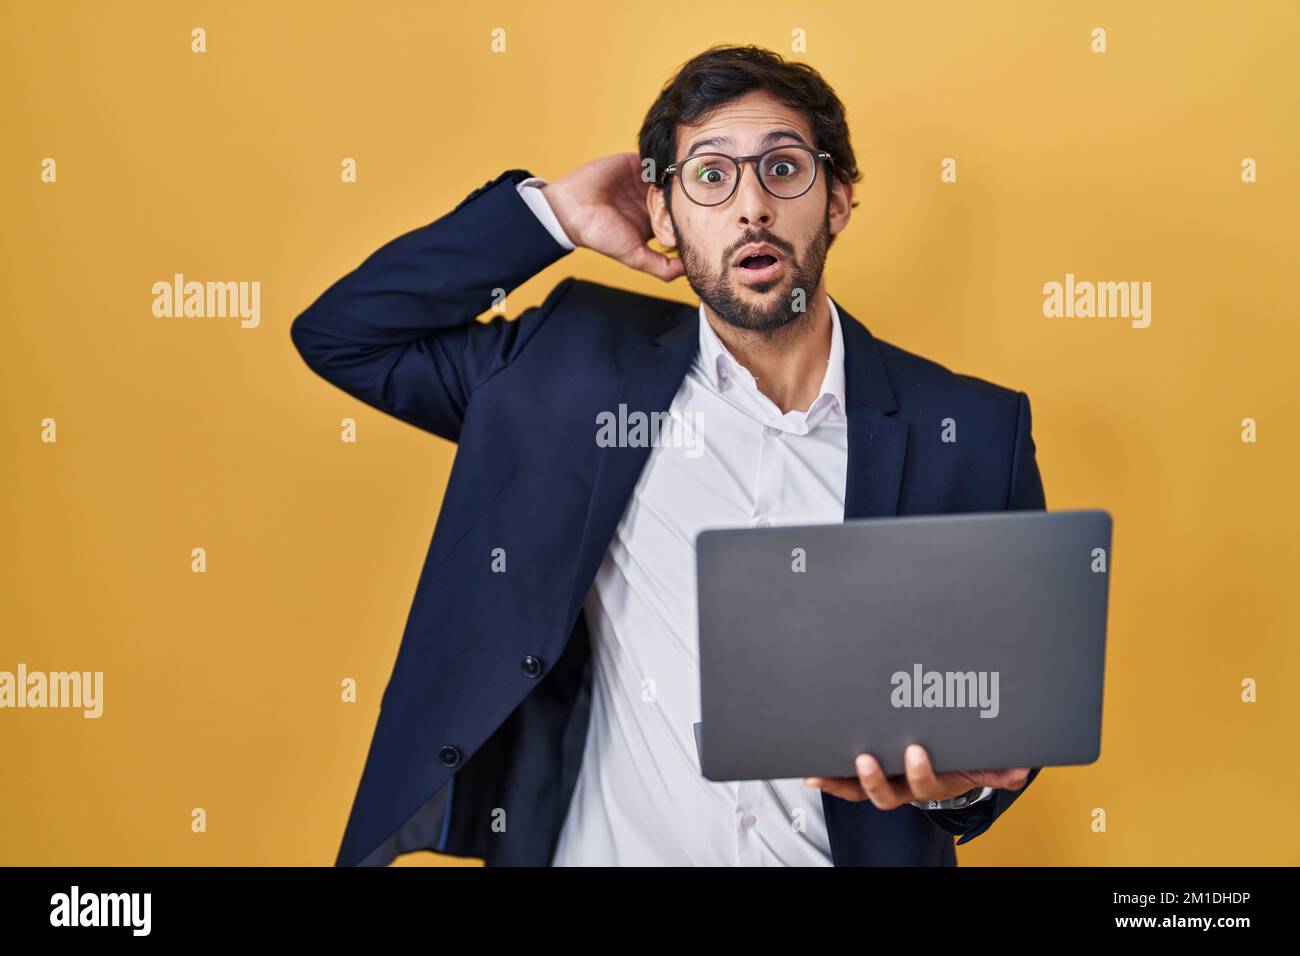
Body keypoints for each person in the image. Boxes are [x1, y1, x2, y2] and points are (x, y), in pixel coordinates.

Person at [290, 44, 1043, 867]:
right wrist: (553, 215)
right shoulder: (565, 367)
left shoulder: (971, 431)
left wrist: (965, 788)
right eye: (711, 177)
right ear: (665, 210)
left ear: (838, 201)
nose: (751, 207)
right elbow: (344, 335)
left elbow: (1003, 710)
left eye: (784, 169)